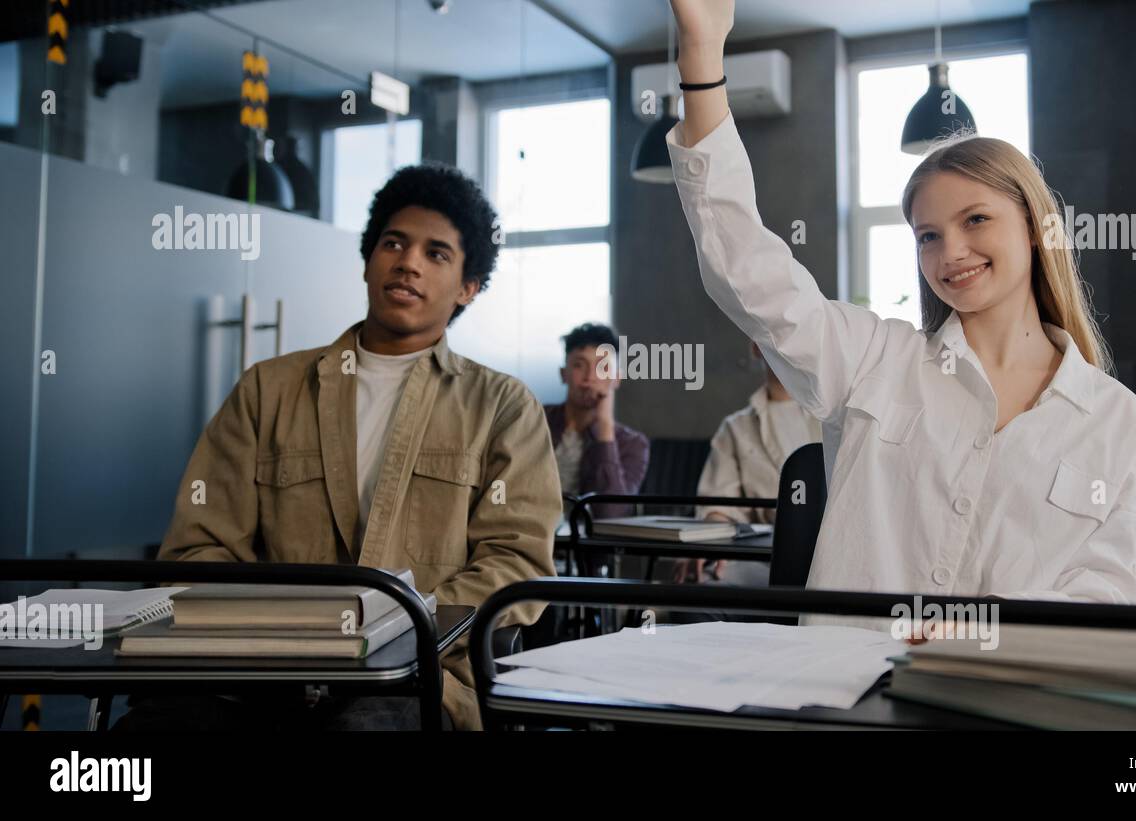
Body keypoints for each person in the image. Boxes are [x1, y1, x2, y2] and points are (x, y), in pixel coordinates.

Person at [664, 0, 1136, 627]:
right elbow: (744, 266)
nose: (950, 252)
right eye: (927, 235)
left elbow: (1102, 599)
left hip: (1004, 700)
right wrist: (702, 53)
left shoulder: (1122, 424)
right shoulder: (875, 358)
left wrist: (969, 638)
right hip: (847, 695)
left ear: (1036, 228)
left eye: (975, 219)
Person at [115, 164, 561, 731]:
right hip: (259, 675)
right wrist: (283, 632)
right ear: (369, 260)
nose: (408, 262)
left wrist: (391, 627)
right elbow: (198, 548)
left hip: (420, 677)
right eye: (393, 243)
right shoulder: (266, 389)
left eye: (437, 253)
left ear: (468, 287)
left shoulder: (502, 406)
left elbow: (515, 563)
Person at [674, 341, 821, 586]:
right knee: (701, 585)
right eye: (772, 331)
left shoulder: (838, 416)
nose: (786, 343)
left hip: (832, 556)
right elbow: (719, 508)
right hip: (765, 557)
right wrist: (709, 542)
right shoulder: (735, 428)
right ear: (755, 345)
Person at [545, 322, 650, 519]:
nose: (590, 377)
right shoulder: (537, 420)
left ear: (616, 379)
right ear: (563, 374)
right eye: (579, 365)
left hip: (588, 548)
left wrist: (605, 430)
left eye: (602, 367)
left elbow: (611, 514)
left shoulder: (633, 444)